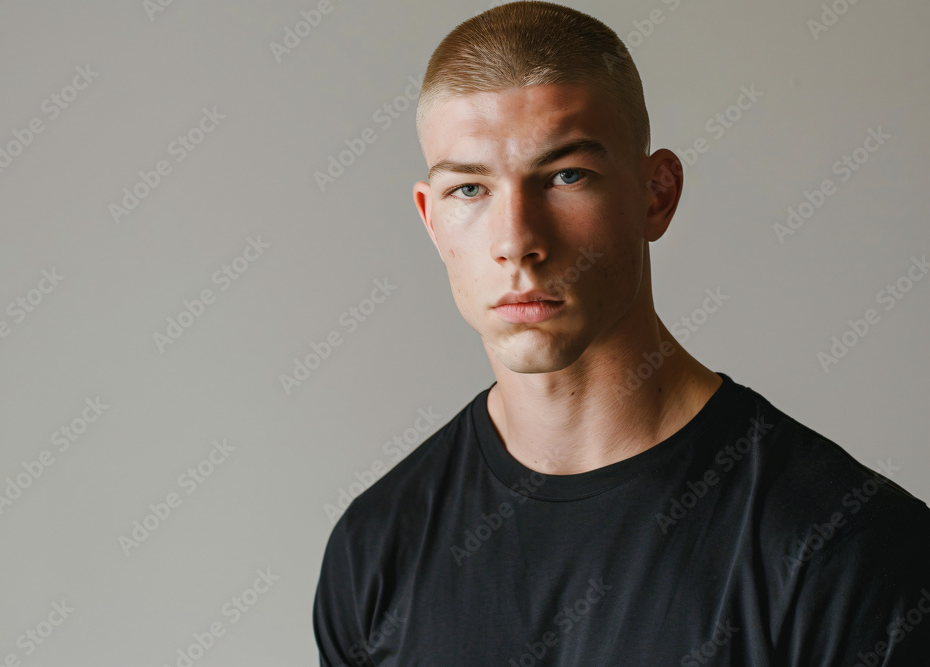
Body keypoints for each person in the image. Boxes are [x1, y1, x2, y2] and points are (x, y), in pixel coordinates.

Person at [312, 2, 930, 664]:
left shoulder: (847, 550)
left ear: (655, 194)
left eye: (566, 175)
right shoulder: (377, 549)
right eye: (470, 190)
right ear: (431, 220)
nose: (517, 241)